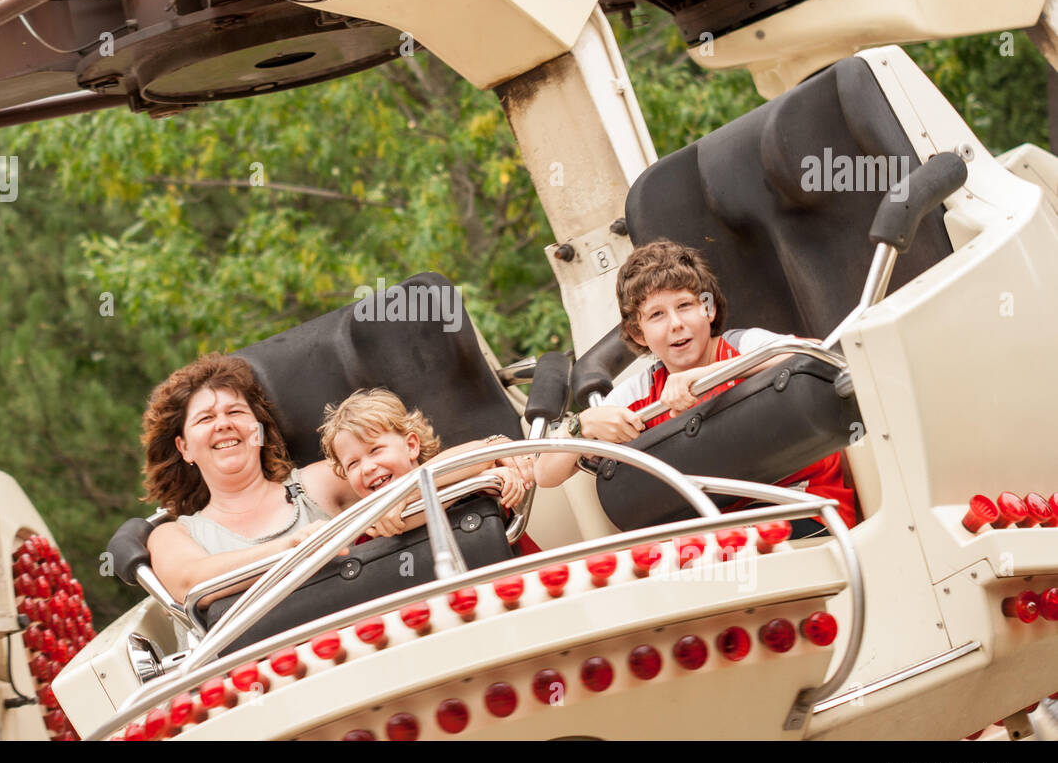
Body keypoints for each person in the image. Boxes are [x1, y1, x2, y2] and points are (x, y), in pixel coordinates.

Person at [534, 239, 857, 529]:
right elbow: (546, 475)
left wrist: (707, 375)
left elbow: (820, 354)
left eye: (685, 306)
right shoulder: (639, 393)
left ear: (708, 309)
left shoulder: (745, 346)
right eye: (657, 315)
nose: (676, 324)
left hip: (802, 508)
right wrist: (582, 425)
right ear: (637, 332)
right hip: (716, 531)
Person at [141, 354, 363, 605]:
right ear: (185, 448)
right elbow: (191, 583)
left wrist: (394, 501)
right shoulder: (173, 535)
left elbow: (408, 474)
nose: (223, 424)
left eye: (234, 411)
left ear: (258, 431)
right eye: (206, 418)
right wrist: (292, 548)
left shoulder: (320, 483)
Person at [319, 388, 541, 552]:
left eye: (375, 450)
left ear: (411, 446)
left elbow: (479, 456)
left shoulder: (466, 473)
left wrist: (404, 494)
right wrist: (483, 477)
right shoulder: (369, 526)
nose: (367, 467)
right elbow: (400, 524)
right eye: (353, 464)